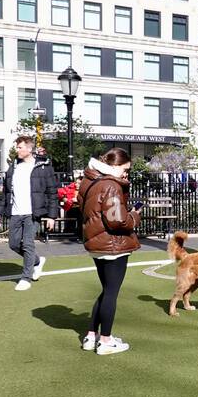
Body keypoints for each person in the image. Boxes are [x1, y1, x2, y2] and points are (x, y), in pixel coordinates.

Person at [76, 149, 141, 355]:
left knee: (106, 291)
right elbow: (117, 220)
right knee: (111, 292)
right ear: (114, 166)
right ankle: (105, 340)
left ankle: (91, 335)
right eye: (125, 169)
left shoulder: (90, 180)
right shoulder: (111, 185)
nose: (126, 174)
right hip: (112, 245)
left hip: (96, 243)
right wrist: (135, 216)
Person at [0, 135, 59, 291]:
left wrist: (51, 216)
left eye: (20, 147)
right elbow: (7, 192)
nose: (17, 150)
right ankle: (37, 261)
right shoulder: (13, 167)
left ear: (29, 148)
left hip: (32, 213)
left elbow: (52, 193)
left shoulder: (43, 167)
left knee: (28, 243)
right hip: (15, 212)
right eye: (17, 147)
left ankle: (26, 277)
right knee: (13, 244)